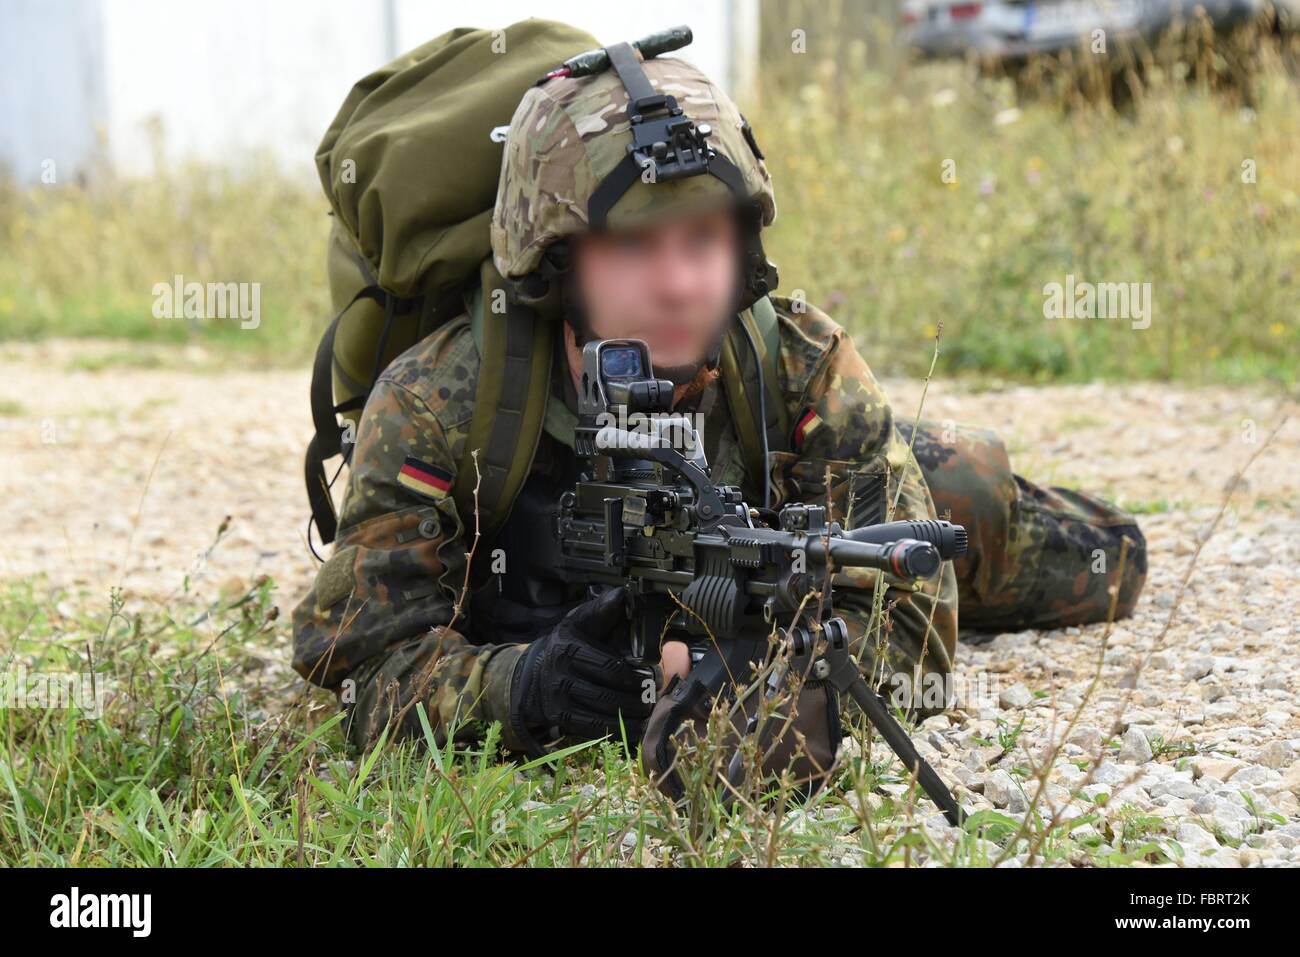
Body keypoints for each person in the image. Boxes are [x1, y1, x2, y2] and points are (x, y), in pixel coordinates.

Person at [291, 51, 1146, 762]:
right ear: (555, 263)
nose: (679, 283)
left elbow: (912, 630)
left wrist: (772, 693)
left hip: (808, 515)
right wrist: (522, 688)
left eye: (704, 240)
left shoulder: (801, 364)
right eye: (633, 246)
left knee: (1088, 552)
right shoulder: (439, 401)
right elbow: (359, 661)